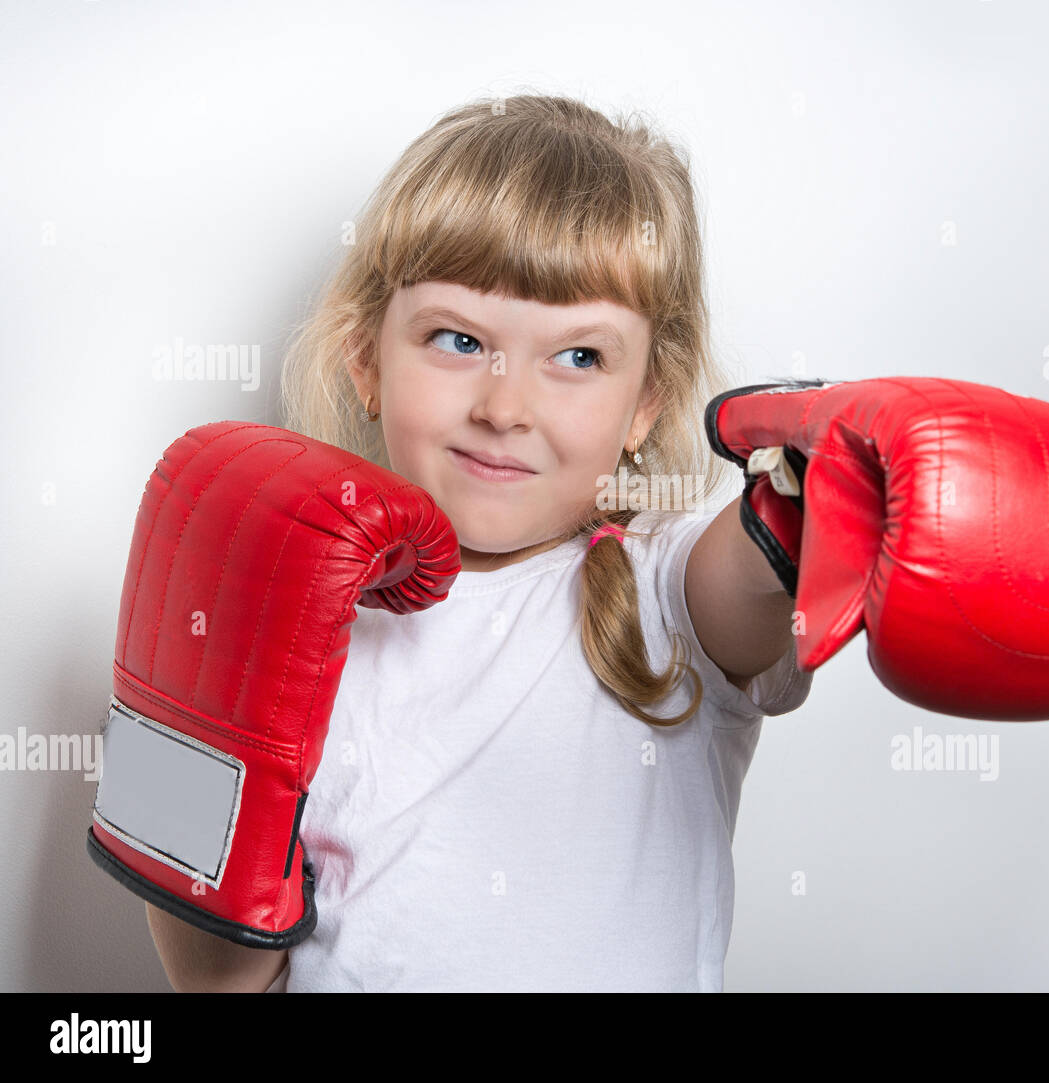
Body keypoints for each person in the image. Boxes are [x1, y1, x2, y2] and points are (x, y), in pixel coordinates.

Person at [146, 93, 814, 993]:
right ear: (366, 360)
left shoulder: (668, 591)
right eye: (458, 339)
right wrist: (180, 742)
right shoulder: (298, 627)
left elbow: (758, 574)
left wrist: (810, 490)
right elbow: (221, 985)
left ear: (646, 402)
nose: (505, 407)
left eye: (578, 357)